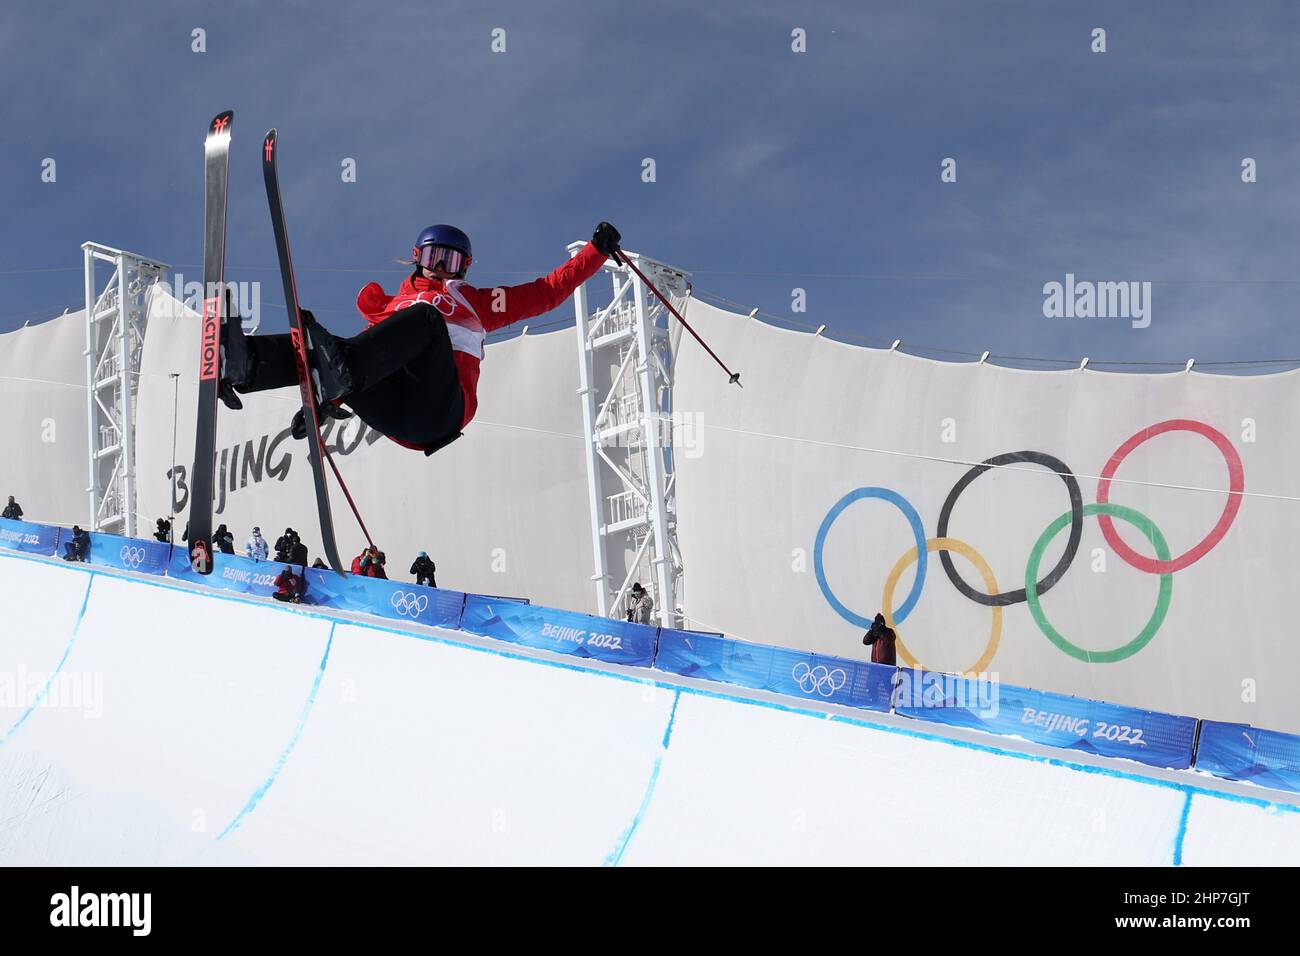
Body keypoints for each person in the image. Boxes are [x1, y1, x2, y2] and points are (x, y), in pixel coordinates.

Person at [219, 221, 622, 456]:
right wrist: (324, 400)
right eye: (434, 259)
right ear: (417, 257)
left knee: (425, 319)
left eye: (452, 263)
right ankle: (246, 364)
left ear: (465, 268)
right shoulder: (392, 309)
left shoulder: (476, 301)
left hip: (438, 413)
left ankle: (332, 381)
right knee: (327, 350)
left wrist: (595, 252)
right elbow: (357, 360)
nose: (442, 270)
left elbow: (547, 291)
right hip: (394, 414)